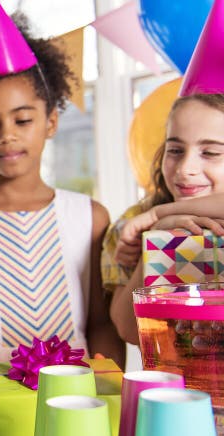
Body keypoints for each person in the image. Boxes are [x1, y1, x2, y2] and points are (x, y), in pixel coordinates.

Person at [0, 1, 123, 431]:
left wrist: (109, 385)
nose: (7, 136)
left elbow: (99, 321)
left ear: (51, 122)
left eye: (22, 119)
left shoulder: (90, 217)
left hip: (78, 401)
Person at [104, 1, 224, 344]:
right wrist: (156, 243)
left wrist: (161, 213)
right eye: (174, 150)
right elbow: (128, 331)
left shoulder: (153, 214)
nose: (186, 169)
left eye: (210, 152)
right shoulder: (131, 226)